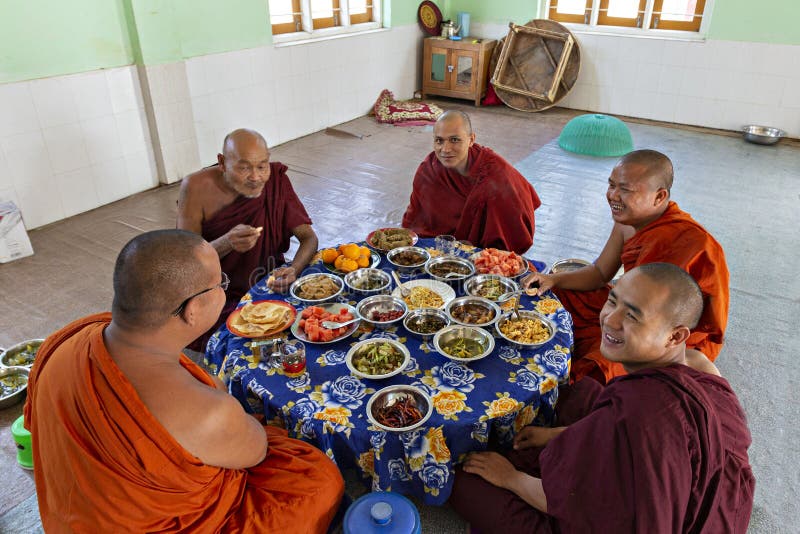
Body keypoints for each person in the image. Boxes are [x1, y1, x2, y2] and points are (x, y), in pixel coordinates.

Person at [24, 230, 344, 533]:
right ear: (193, 310)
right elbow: (255, 450)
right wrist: (226, 411)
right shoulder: (207, 412)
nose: (223, 289)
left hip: (72, 515)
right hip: (163, 522)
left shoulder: (63, 342)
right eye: (221, 284)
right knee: (317, 480)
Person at [450, 263, 754, 533]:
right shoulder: (700, 365)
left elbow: (577, 504)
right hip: (702, 495)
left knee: (466, 485)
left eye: (633, 316)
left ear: (675, 336)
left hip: (647, 519)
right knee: (584, 392)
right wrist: (554, 435)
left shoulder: (639, 414)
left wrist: (510, 478)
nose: (610, 320)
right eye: (613, 301)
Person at [523, 149, 729, 384]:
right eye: (611, 185)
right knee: (550, 293)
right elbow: (600, 272)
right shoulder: (627, 221)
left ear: (659, 197)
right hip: (630, 306)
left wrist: (613, 325)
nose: (613, 195)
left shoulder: (688, 241)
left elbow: (659, 322)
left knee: (598, 371)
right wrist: (554, 280)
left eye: (625, 190)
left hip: (661, 331)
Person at [177, 128, 318, 351]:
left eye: (262, 166)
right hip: (217, 295)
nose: (255, 177)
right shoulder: (196, 188)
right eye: (244, 167)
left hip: (268, 285)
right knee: (240, 341)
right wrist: (226, 243)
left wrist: (294, 269)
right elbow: (186, 263)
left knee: (310, 321)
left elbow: (309, 238)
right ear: (222, 162)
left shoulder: (277, 180)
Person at [402, 110, 541, 254]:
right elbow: (414, 222)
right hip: (437, 253)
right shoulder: (428, 171)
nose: (445, 149)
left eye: (454, 140)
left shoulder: (496, 175)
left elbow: (516, 228)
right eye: (439, 140)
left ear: (471, 139)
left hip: (485, 258)